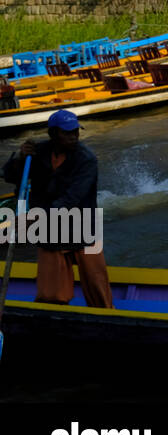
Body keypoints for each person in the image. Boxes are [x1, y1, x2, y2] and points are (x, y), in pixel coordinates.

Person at [2, 110, 113, 308]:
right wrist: (20, 158)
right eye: (67, 133)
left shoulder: (86, 159)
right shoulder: (38, 153)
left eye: (76, 132)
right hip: (50, 232)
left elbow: (72, 198)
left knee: (98, 290)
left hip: (81, 227)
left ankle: (107, 316)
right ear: (53, 134)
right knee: (50, 295)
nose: (74, 137)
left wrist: (36, 217)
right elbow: (10, 176)